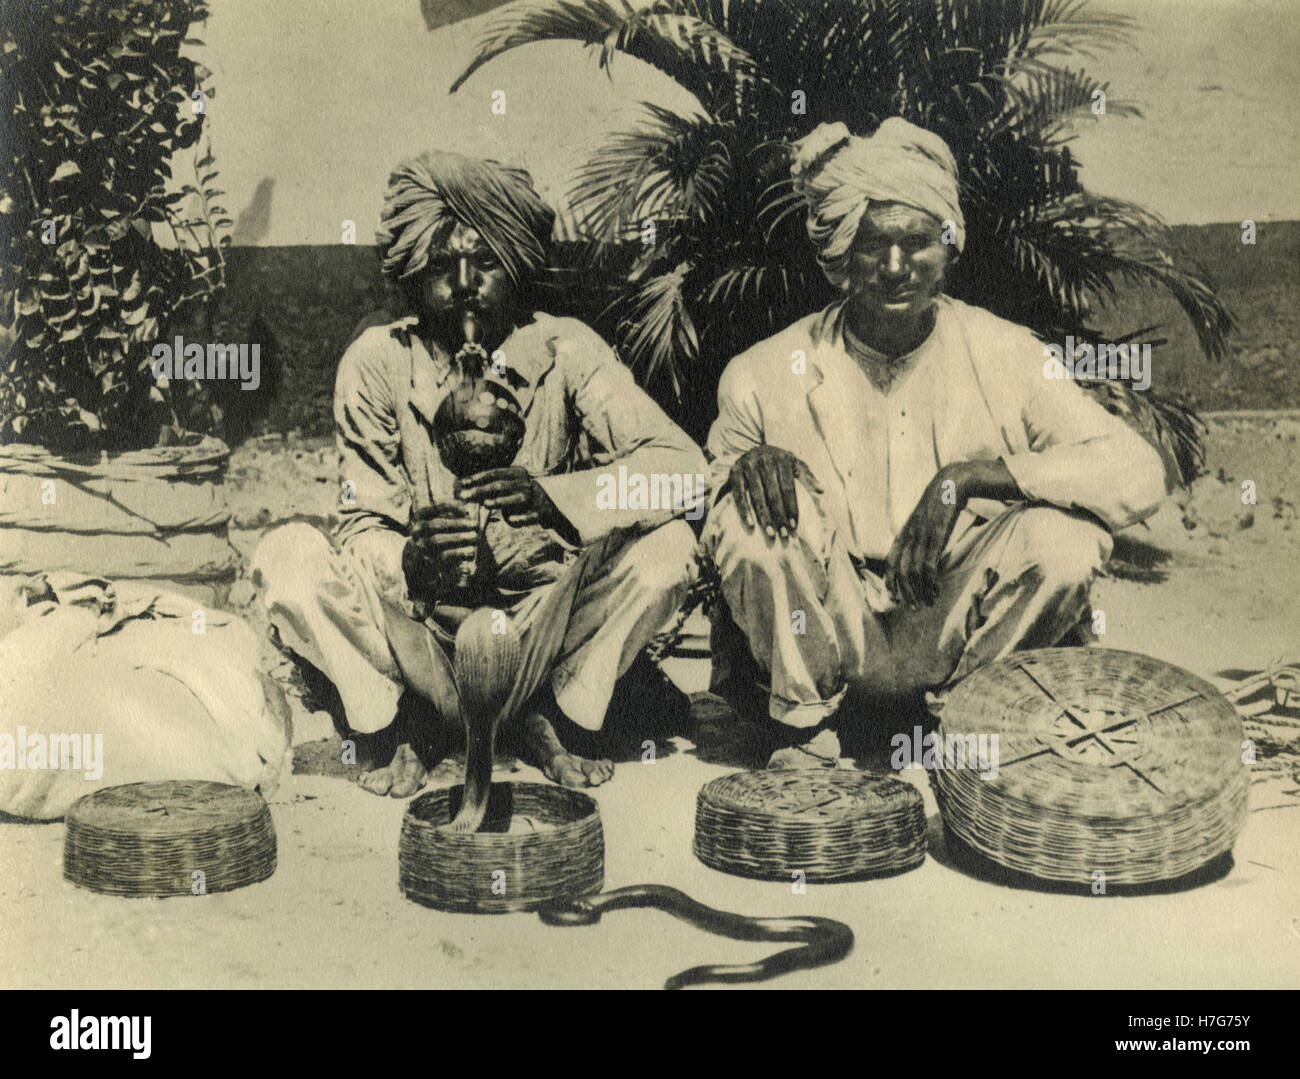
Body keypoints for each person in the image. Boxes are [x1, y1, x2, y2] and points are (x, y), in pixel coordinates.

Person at [702, 119, 1169, 769]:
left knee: (1069, 539)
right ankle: (805, 737)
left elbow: (1139, 470)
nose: (896, 267)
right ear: (838, 256)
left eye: (917, 242)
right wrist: (743, 467)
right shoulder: (761, 371)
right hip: (828, 634)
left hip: (948, 625)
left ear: (947, 247)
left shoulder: (1006, 353)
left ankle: (971, 717)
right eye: (872, 245)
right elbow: (703, 507)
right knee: (751, 512)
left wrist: (973, 476)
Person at [252, 151, 705, 797]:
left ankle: (555, 716)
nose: (465, 284)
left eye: (486, 261)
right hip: (422, 641)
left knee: (670, 548)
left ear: (516, 265)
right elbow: (362, 519)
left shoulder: (566, 347)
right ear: (414, 273)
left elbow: (685, 472)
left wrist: (554, 498)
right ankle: (401, 722)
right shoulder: (378, 362)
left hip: (538, 635)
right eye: (442, 266)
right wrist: (410, 559)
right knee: (288, 554)